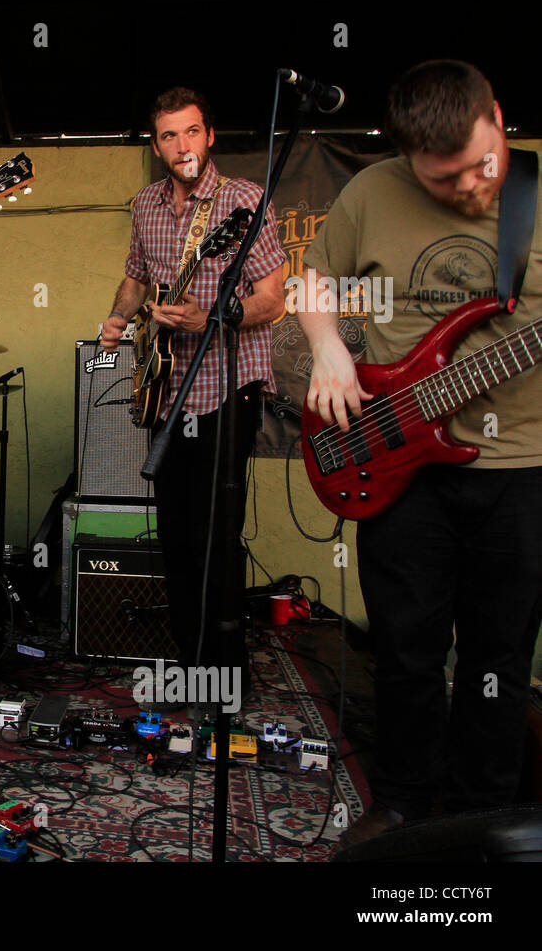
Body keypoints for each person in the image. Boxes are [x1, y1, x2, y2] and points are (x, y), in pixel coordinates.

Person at [301, 60, 542, 847]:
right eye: (446, 181)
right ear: (408, 159)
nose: (474, 189)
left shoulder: (535, 195)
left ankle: (486, 813)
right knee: (404, 648)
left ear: (498, 117)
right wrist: (330, 353)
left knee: (497, 654)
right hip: (400, 458)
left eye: (484, 165)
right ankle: (400, 801)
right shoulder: (369, 193)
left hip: (522, 471)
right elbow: (314, 285)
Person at [98, 87, 287, 701]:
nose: (182, 146)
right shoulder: (147, 205)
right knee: (176, 535)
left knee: (215, 534)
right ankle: (190, 666)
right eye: (169, 136)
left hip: (226, 386)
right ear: (156, 146)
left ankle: (225, 674)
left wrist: (210, 317)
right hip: (167, 389)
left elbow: (274, 297)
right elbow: (137, 273)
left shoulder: (242, 201)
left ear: (210, 137)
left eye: (192, 132)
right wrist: (119, 320)